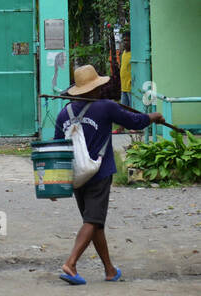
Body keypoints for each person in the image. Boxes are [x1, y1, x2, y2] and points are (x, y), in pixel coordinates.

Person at [52, 64, 164, 284]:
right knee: (93, 220)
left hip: (76, 176)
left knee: (94, 222)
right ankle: (71, 264)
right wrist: (154, 116)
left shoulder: (64, 112)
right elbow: (135, 122)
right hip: (98, 173)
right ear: (95, 88)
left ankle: (110, 270)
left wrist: (57, 181)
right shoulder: (106, 107)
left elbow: (58, 148)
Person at [119, 33, 132, 108]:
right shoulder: (124, 53)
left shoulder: (134, 54)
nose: (125, 42)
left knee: (132, 109)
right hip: (123, 87)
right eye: (124, 40)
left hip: (131, 88)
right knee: (123, 109)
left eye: (127, 40)